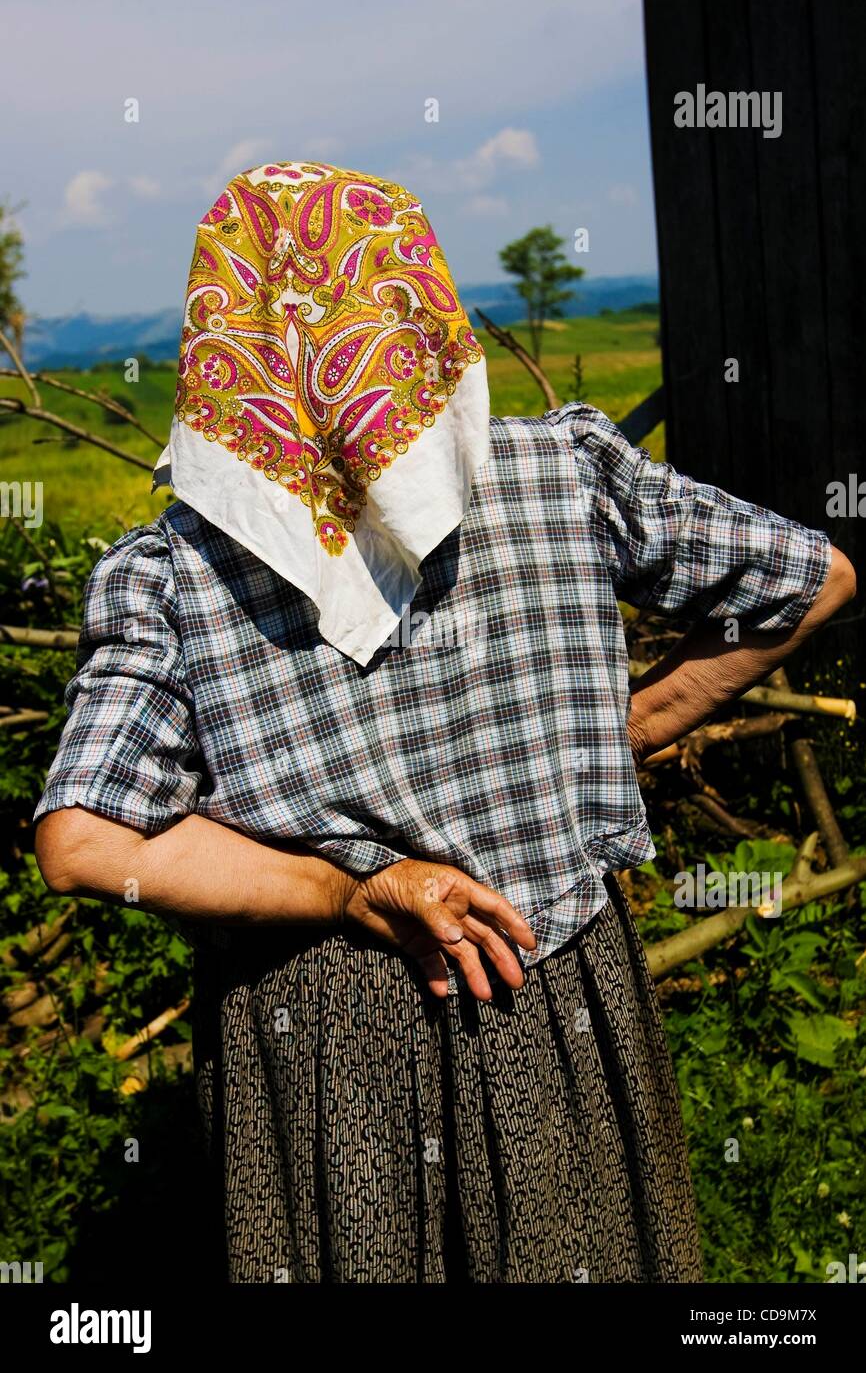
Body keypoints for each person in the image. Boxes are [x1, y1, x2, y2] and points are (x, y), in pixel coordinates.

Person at [33, 161, 856, 1284]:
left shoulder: (170, 574)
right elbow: (812, 579)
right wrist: (626, 727)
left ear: (224, 331)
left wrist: (342, 889)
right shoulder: (561, 474)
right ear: (417, 295)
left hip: (319, 1027)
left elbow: (85, 843)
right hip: (547, 976)